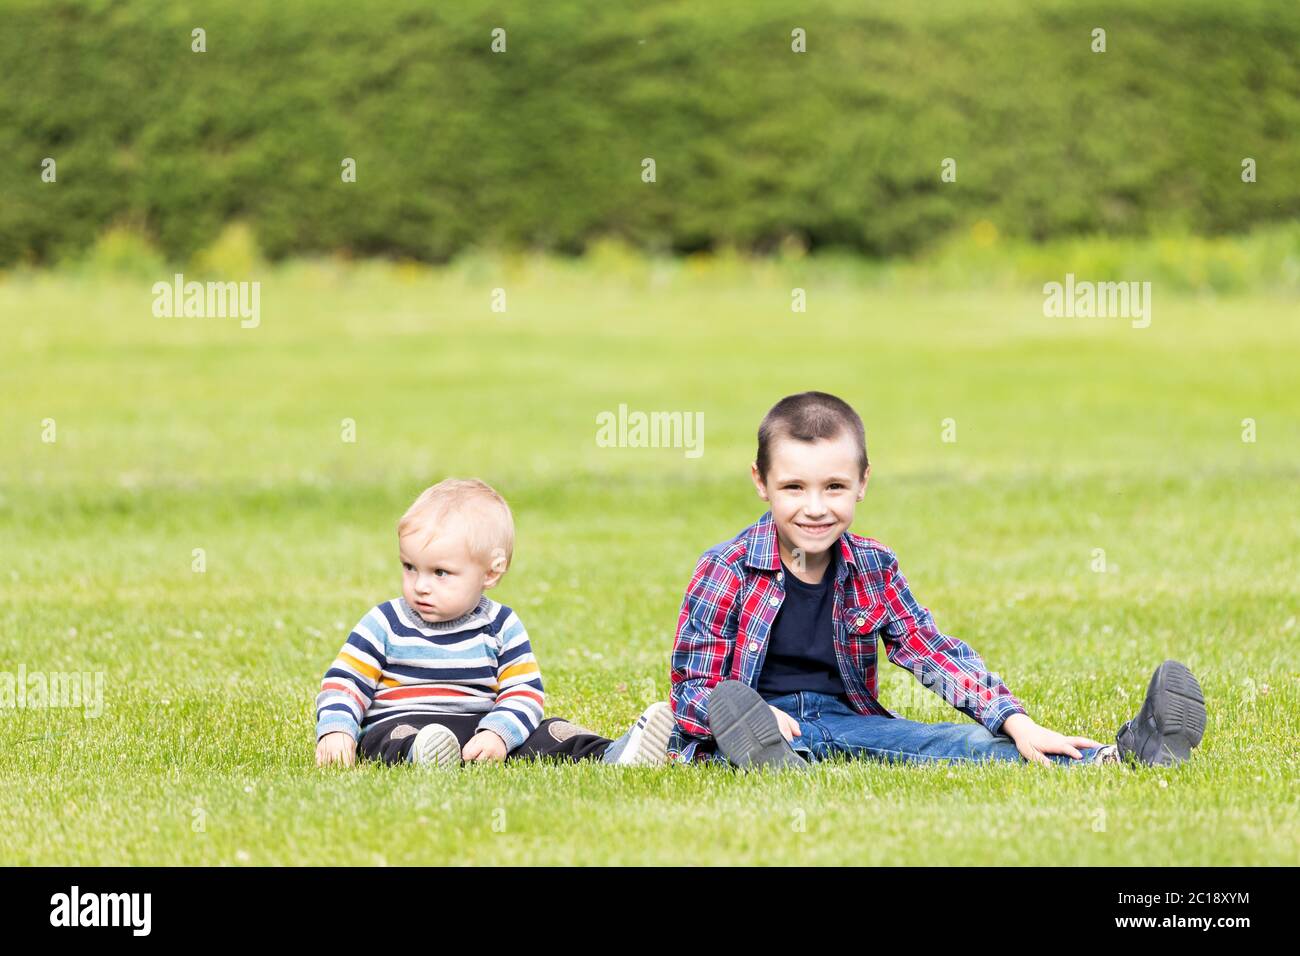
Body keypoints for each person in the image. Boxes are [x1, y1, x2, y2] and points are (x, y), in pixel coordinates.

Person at [668, 391, 1207, 770]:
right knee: (935, 747)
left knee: (939, 742)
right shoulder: (726, 568)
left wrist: (1014, 720)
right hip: (747, 724)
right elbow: (693, 689)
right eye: (794, 488)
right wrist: (752, 714)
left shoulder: (873, 567)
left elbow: (931, 651)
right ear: (761, 482)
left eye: (834, 487)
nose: (815, 509)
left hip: (843, 720)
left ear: (862, 484)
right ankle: (763, 759)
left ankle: (1127, 752)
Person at [315, 478, 673, 768]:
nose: (420, 585)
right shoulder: (385, 622)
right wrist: (336, 729)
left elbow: (524, 692)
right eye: (410, 567)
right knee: (385, 738)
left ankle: (616, 754)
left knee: (553, 731)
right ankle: (421, 755)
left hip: (479, 727)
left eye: (441, 572)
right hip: (406, 722)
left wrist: (498, 734)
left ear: (490, 572)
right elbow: (346, 682)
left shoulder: (500, 625)